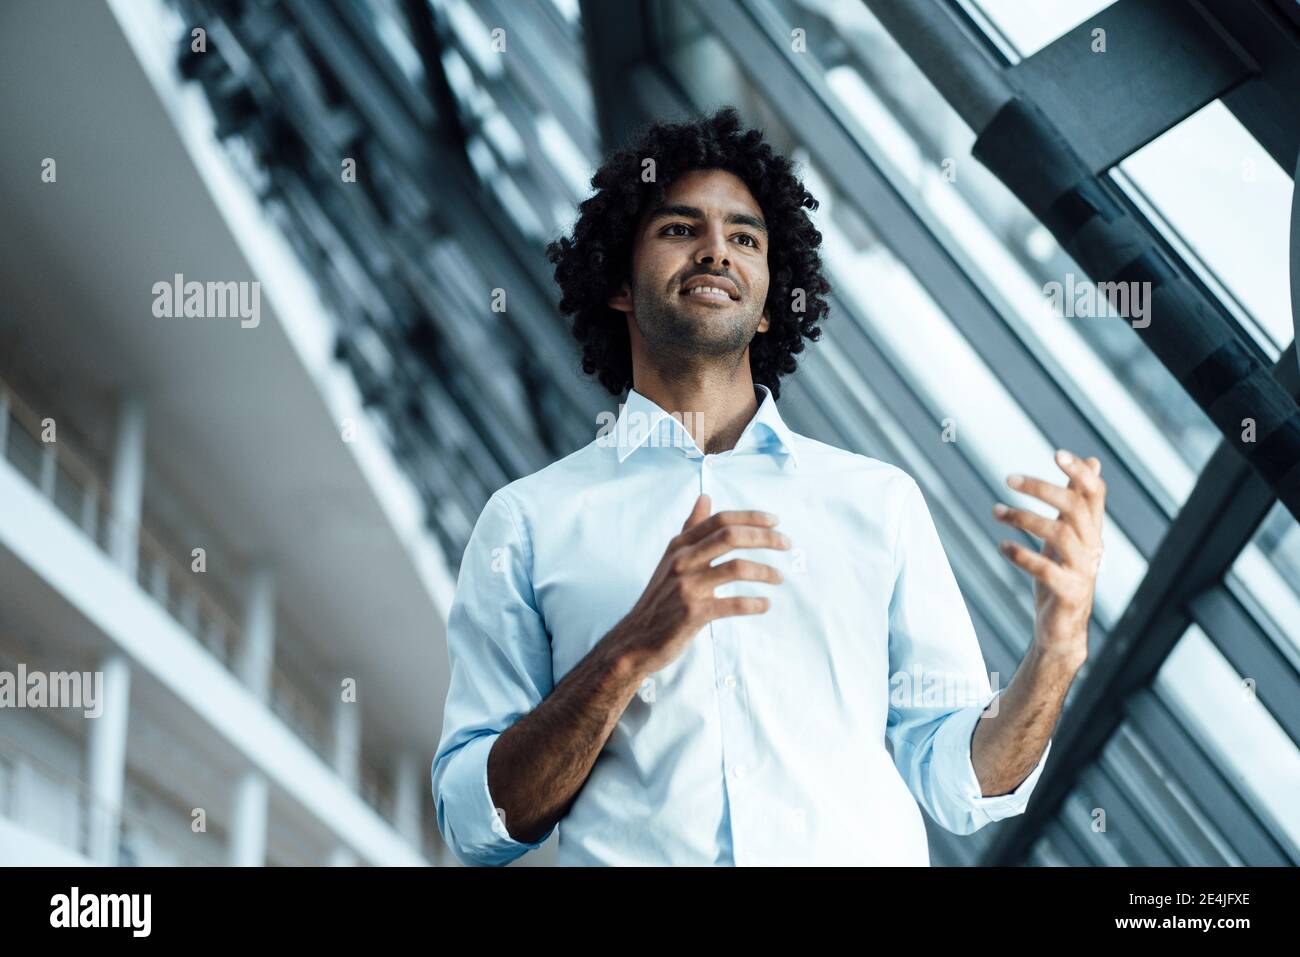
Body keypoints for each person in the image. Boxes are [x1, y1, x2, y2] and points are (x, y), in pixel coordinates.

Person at [431, 107, 1106, 866]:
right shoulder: (528, 521)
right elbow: (474, 818)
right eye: (680, 229)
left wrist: (1056, 653)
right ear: (618, 283)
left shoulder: (877, 502)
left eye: (745, 238)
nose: (717, 250)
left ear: (764, 306)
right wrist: (627, 650)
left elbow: (961, 782)